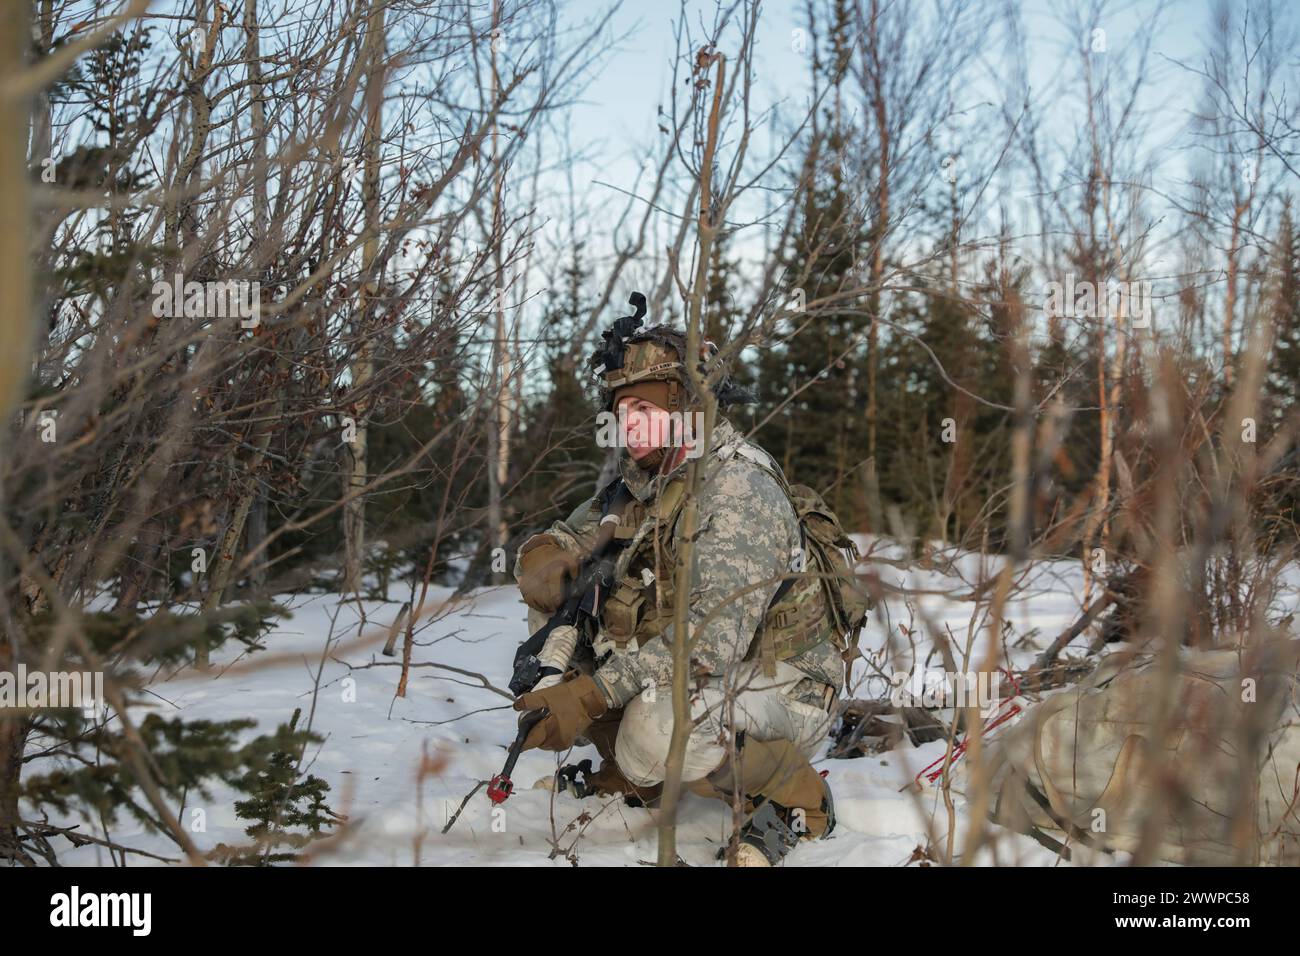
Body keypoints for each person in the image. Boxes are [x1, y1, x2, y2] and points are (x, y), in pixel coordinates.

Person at [511, 319, 843, 865]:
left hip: (785, 685)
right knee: (561, 617)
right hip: (710, 670)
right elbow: (562, 539)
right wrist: (544, 560)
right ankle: (636, 777)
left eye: (645, 412)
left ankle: (798, 797)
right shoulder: (644, 482)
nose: (630, 428)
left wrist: (588, 696)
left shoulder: (739, 490)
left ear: (689, 407)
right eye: (622, 414)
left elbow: (710, 643)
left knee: (660, 726)